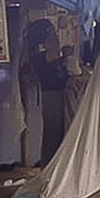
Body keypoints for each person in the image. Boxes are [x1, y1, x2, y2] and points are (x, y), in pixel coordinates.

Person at [24, 18, 67, 166]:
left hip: (57, 96)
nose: (55, 36)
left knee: (58, 134)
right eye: (51, 33)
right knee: (53, 135)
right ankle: (50, 166)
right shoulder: (42, 58)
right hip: (51, 97)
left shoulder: (49, 57)